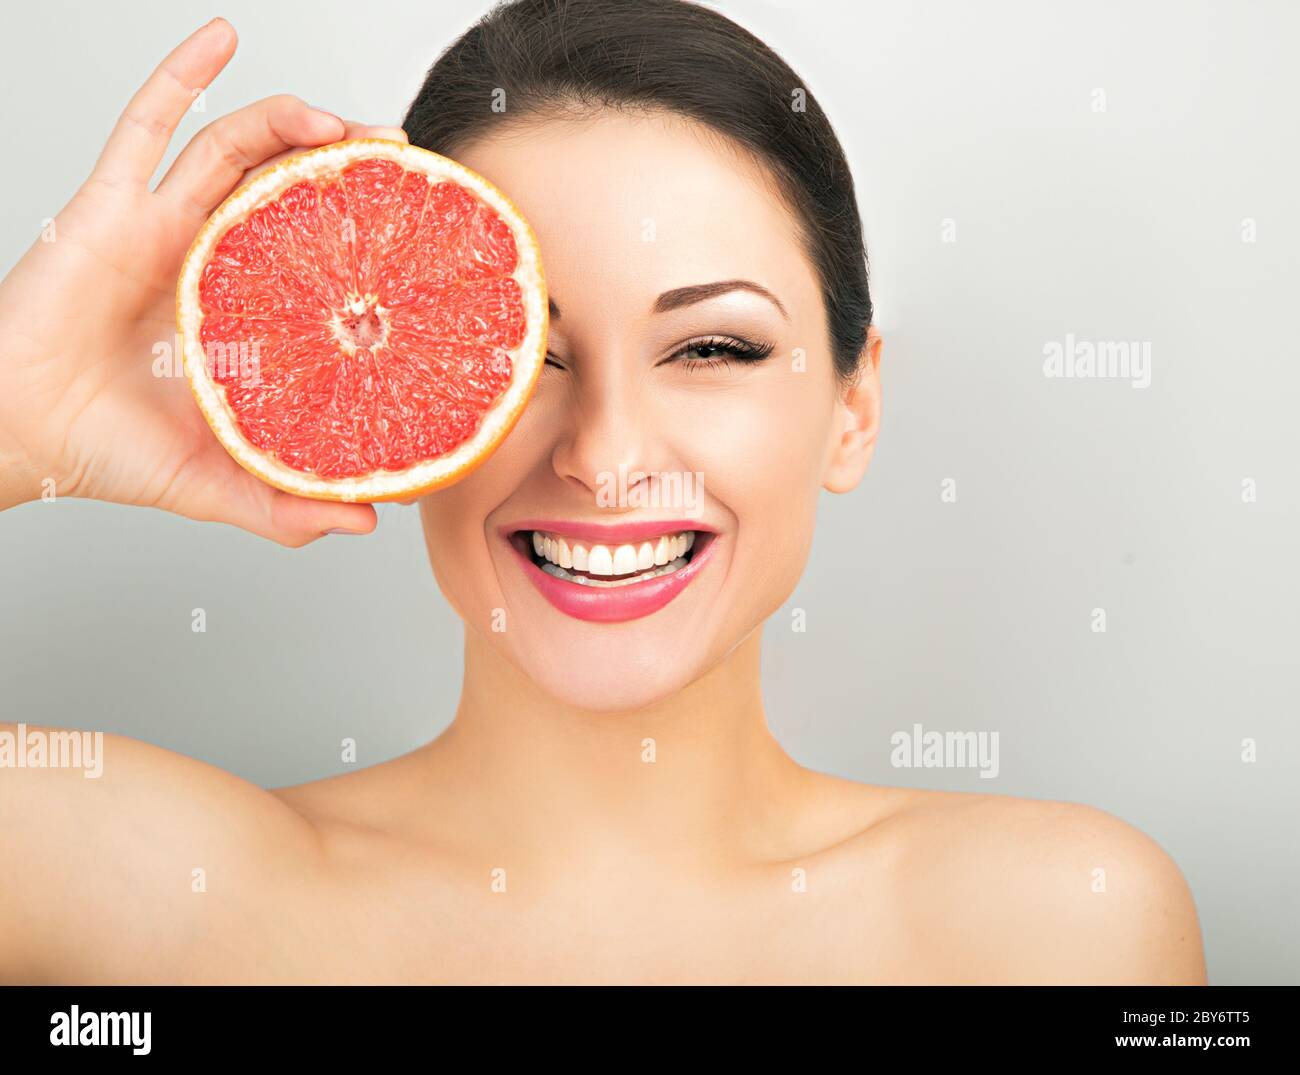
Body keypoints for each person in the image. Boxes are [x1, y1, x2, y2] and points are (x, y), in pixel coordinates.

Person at [0, 1, 1205, 984]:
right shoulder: (132, 886)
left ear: (855, 408)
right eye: (523, 357)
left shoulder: (1065, 923)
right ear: (403, 401)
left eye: (712, 349)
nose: (605, 455)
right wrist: (18, 415)